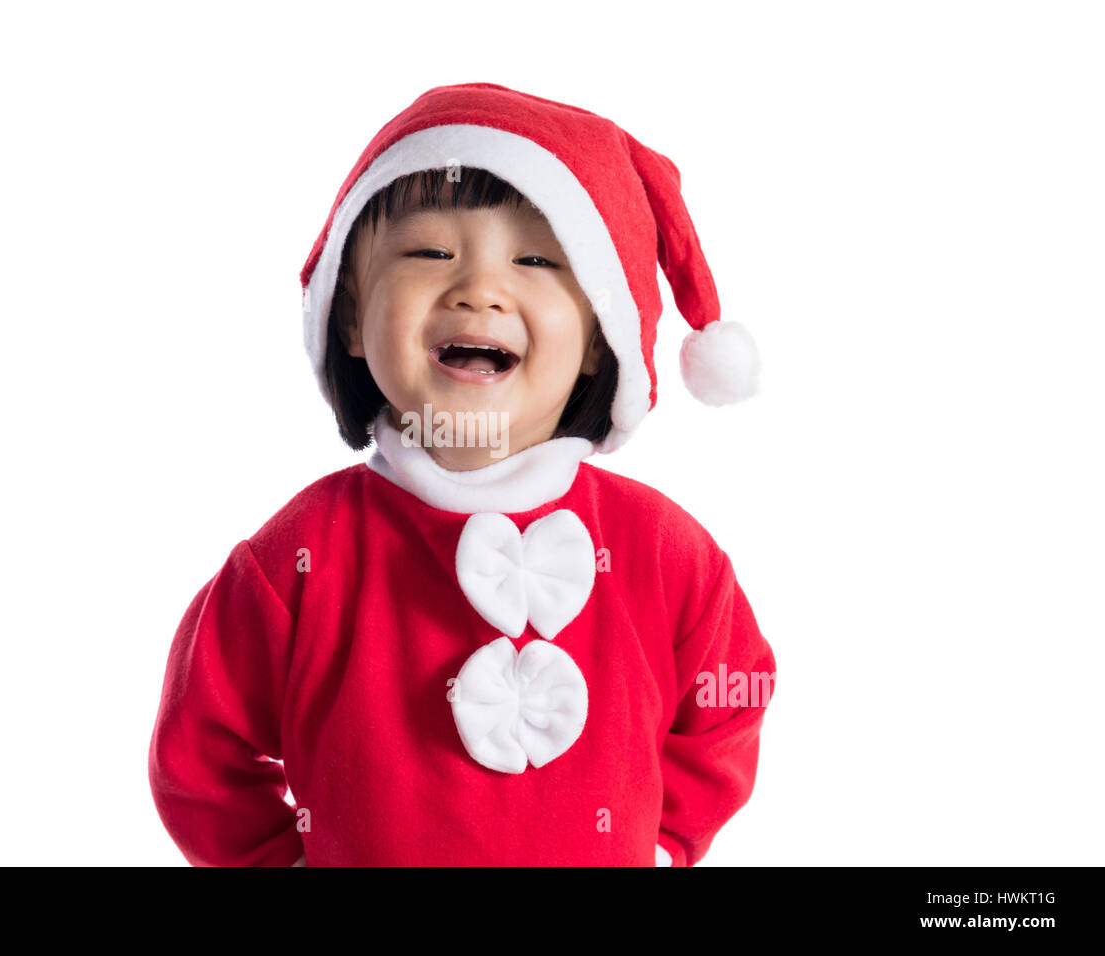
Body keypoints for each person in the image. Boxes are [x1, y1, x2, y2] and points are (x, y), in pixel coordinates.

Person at [147, 82, 777, 866]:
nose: (480, 288)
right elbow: (199, 750)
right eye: (430, 252)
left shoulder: (667, 556)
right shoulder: (294, 562)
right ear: (350, 315)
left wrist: (663, 843)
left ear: (596, 337)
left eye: (538, 259)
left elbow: (730, 700)